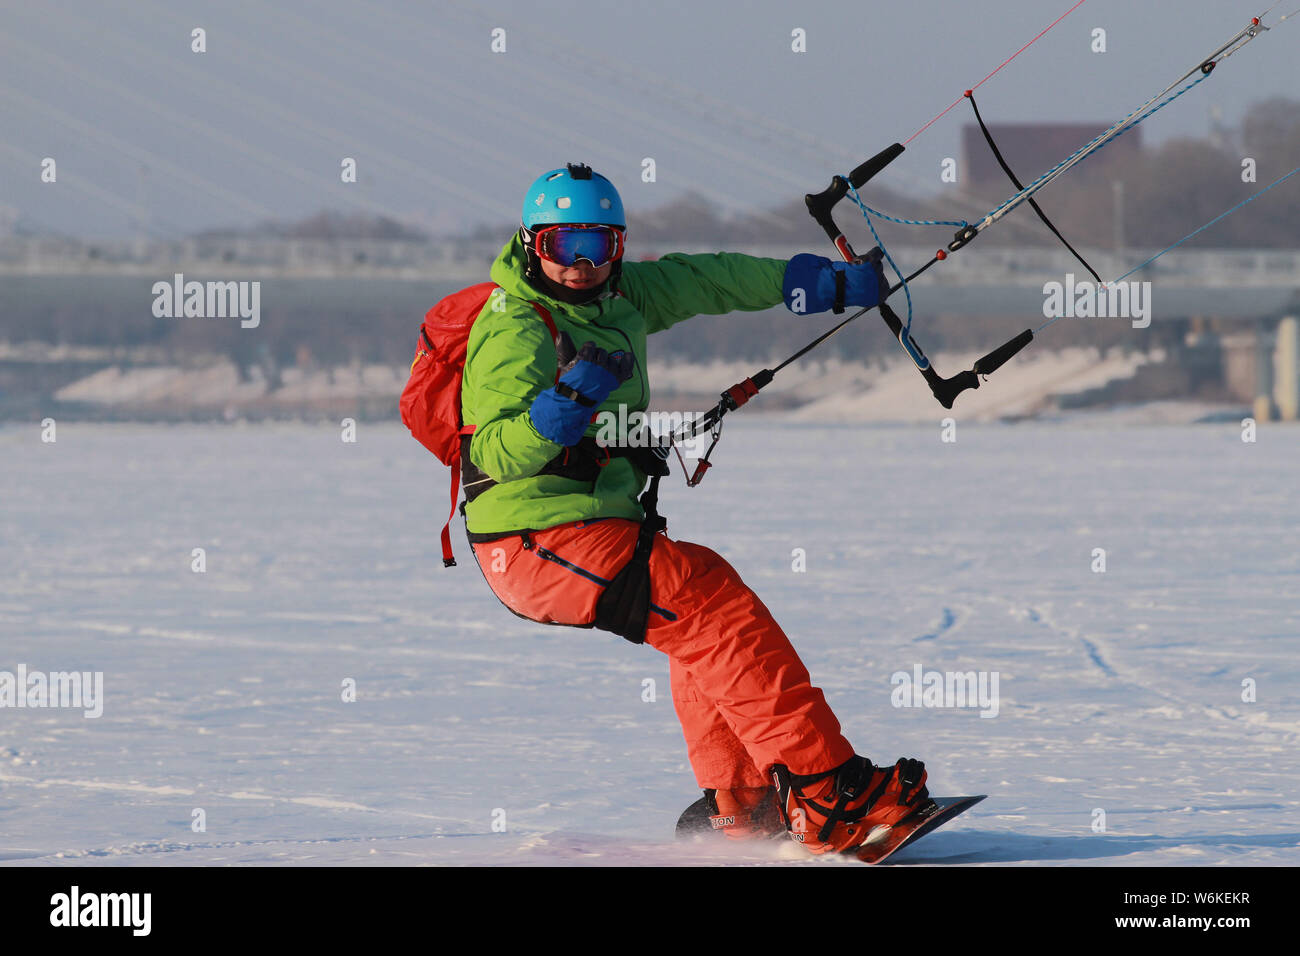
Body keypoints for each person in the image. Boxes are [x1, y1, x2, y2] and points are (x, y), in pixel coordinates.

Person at [459, 162, 929, 855]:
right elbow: (495, 453)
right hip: (530, 536)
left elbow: (708, 278)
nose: (584, 265)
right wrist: (555, 418)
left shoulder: (622, 294)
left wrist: (814, 283)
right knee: (707, 608)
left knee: (702, 597)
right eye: (566, 247)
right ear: (533, 245)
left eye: (600, 245)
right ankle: (829, 792)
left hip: (589, 523)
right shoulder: (516, 331)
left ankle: (743, 803)